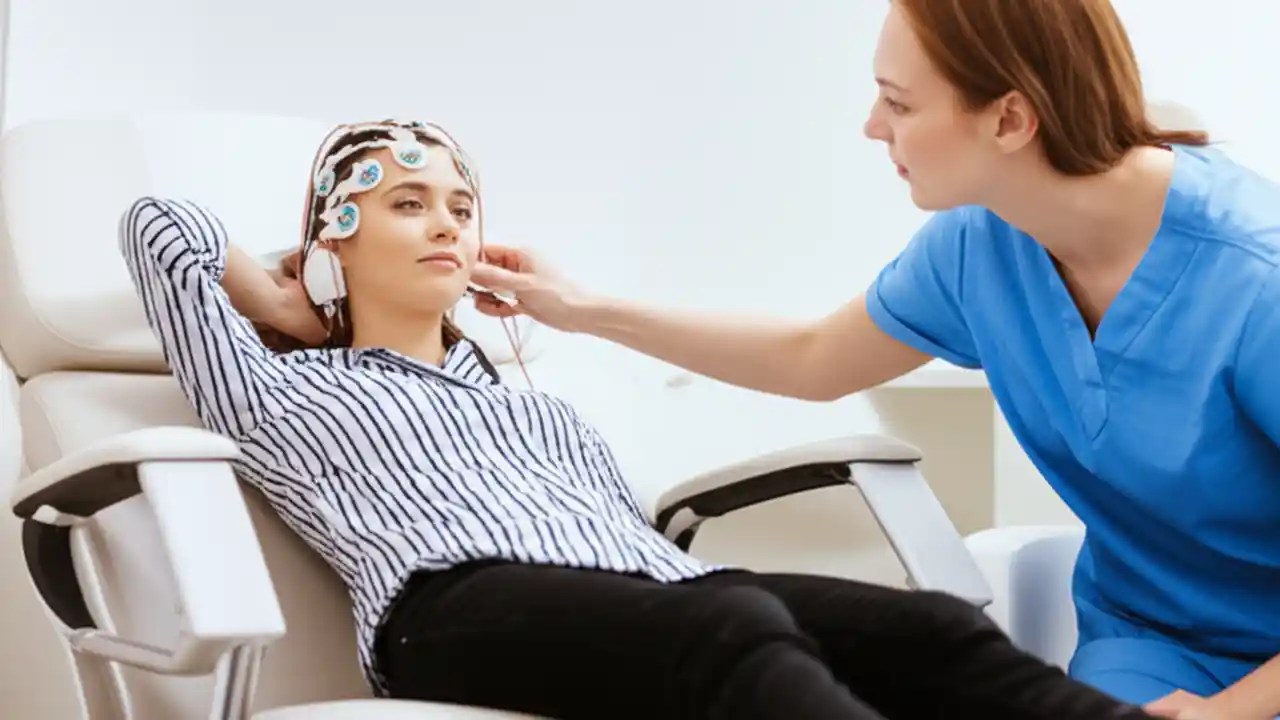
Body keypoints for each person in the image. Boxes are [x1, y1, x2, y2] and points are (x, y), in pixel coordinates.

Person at [117, 118, 1155, 720]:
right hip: (449, 608)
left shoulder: (539, 408)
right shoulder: (281, 386)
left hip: (660, 592)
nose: (445, 220)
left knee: (926, 627)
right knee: (727, 621)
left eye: (460, 205)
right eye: (405, 202)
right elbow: (159, 228)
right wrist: (285, 298)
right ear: (333, 235)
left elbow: (638, 553)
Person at [469, 2, 1280, 719]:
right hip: (1151, 637)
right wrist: (578, 310)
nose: (871, 126)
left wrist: (1237, 713)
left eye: (898, 102)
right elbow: (812, 357)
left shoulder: (1255, 279)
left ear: (1009, 120)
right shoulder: (979, 246)